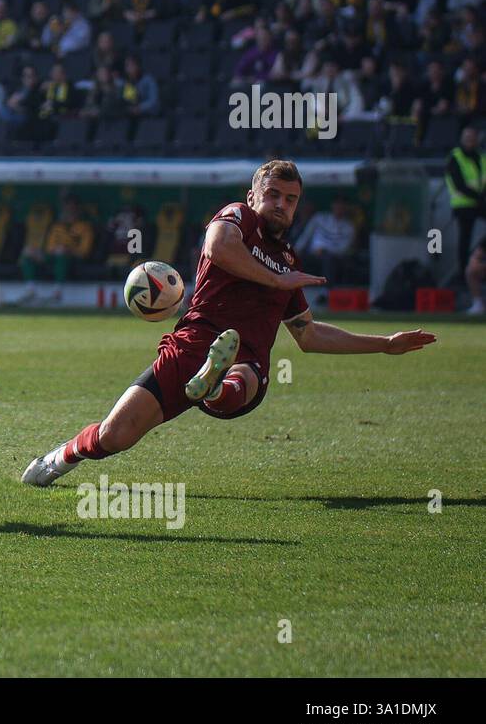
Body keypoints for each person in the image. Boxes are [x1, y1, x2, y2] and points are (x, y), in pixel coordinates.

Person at [22, 160, 437, 488]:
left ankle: (215, 384)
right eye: (272, 194)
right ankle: (59, 458)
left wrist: (384, 343)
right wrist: (276, 280)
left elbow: (308, 336)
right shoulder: (239, 219)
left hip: (247, 360)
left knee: (240, 376)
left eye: (290, 199)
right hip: (189, 345)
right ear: (252, 195)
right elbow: (218, 247)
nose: (280, 204)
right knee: (115, 436)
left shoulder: (290, 262)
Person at [445, 125, 486, 280]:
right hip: (463, 204)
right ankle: (463, 273)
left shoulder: (481, 157)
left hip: (480, 202)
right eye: (466, 138)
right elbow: (459, 184)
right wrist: (479, 196)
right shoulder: (455, 157)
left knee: (468, 239)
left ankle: (479, 253)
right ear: (461, 139)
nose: (469, 141)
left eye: (472, 138)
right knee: (465, 238)